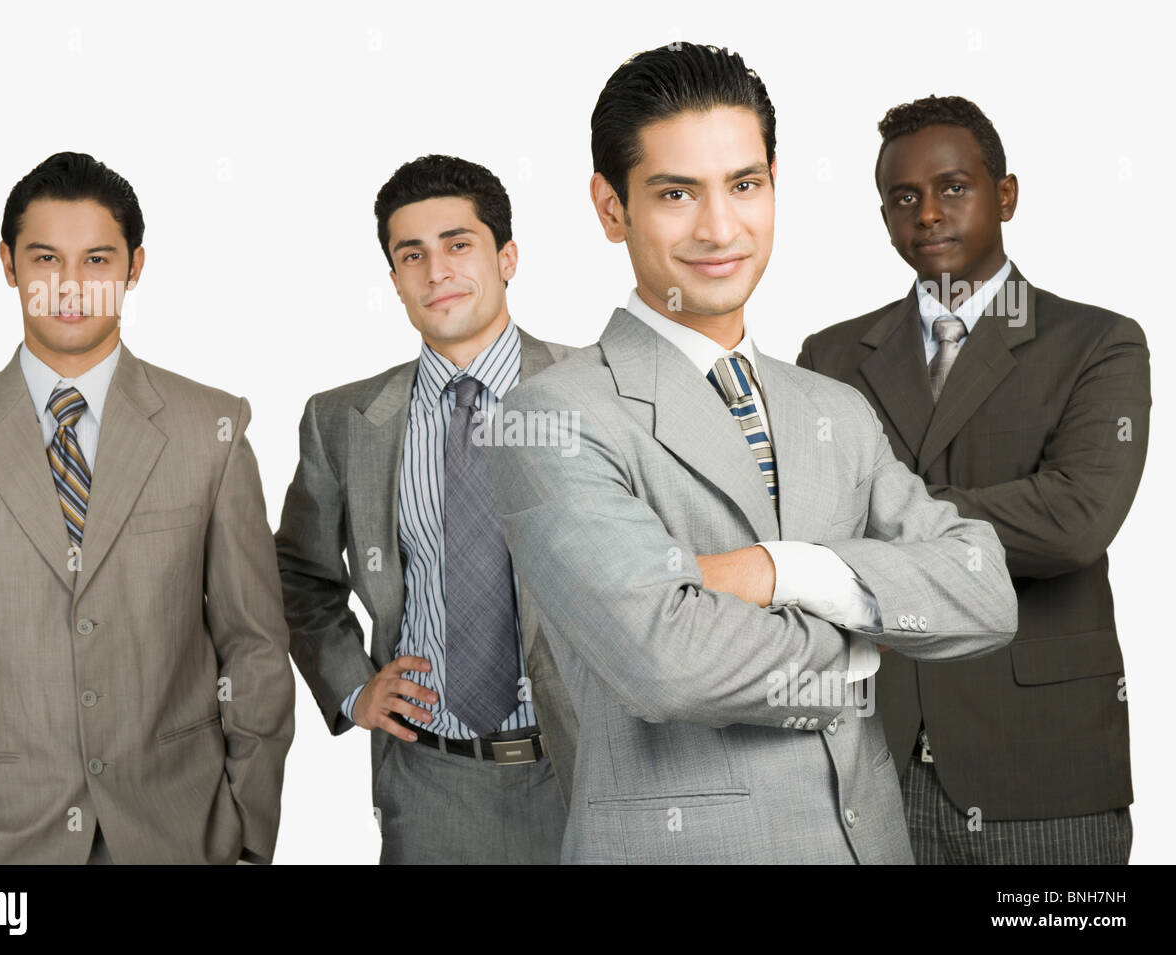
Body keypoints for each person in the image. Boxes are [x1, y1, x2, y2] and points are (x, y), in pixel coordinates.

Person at [486, 44, 1019, 863]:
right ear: (609, 207)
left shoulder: (830, 404)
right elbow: (668, 663)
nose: (720, 228)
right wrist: (867, 640)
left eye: (745, 185)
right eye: (676, 193)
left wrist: (784, 572)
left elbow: (984, 592)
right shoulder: (553, 417)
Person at [0, 152, 295, 864]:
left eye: (97, 260)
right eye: (46, 258)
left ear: (134, 268)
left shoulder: (212, 432)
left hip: (179, 833)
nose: (71, 286)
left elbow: (254, 645)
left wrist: (246, 831)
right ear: (8, 265)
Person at [797, 95, 1148, 864]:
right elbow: (809, 525)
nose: (928, 212)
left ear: (1006, 195)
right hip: (872, 762)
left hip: (1041, 768)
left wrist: (883, 518)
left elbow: (1075, 520)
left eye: (953, 186)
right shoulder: (830, 357)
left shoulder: (1097, 343)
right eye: (903, 197)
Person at [275, 155, 572, 863]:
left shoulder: (598, 391)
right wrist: (352, 688)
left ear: (507, 257)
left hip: (583, 771)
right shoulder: (345, 418)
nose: (436, 271)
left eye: (458, 244)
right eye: (413, 254)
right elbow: (297, 574)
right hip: (431, 782)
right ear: (395, 279)